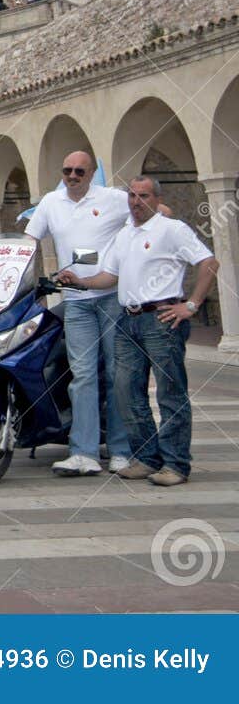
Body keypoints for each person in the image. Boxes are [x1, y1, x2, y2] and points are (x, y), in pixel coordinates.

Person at [59, 176, 218, 487]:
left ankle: (176, 463)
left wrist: (192, 305)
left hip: (161, 319)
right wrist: (79, 281)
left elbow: (209, 262)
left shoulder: (171, 229)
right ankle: (146, 458)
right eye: (131, 195)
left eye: (142, 195)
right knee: (125, 390)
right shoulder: (125, 234)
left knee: (171, 393)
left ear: (156, 199)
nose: (135, 201)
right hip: (126, 319)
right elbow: (109, 276)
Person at [24, 151, 132, 476]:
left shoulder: (113, 198)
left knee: (116, 374)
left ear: (92, 173)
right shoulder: (51, 202)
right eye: (67, 170)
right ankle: (83, 451)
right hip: (75, 301)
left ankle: (121, 450)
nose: (73, 176)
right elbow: (28, 241)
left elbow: (152, 215)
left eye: (79, 171)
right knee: (82, 375)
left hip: (112, 297)